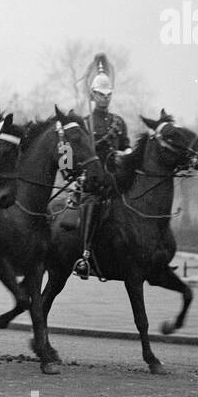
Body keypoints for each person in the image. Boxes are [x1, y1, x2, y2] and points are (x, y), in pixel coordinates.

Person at [74, 71, 130, 280]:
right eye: (100, 94)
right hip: (95, 180)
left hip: (115, 179)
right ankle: (85, 256)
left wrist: (125, 155)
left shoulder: (119, 122)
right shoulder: (86, 123)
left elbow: (126, 147)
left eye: (108, 95)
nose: (105, 98)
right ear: (93, 95)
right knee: (93, 204)